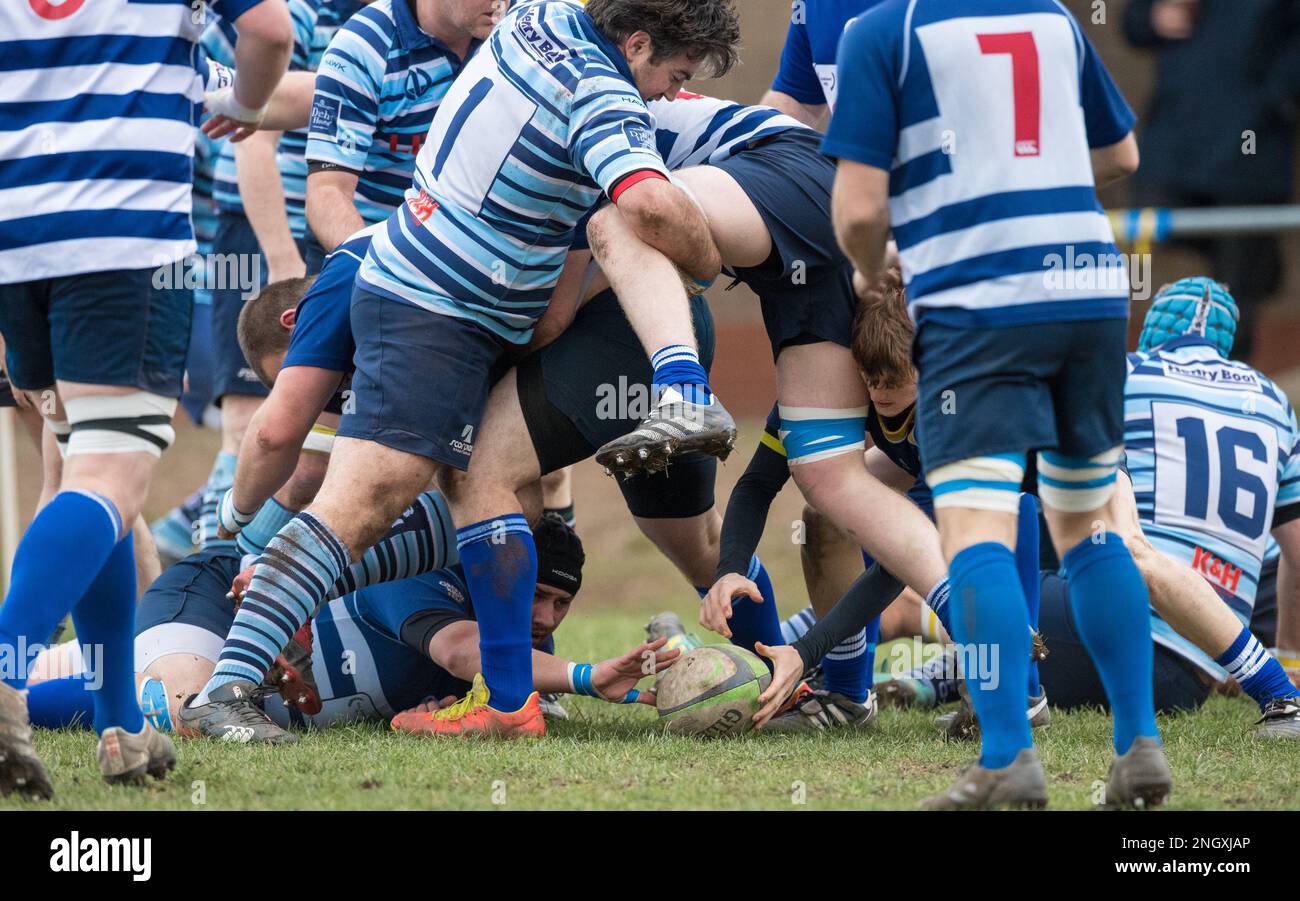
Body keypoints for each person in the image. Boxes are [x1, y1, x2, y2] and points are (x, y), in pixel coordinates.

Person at [826, 0, 1162, 809]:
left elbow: (861, 210)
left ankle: (1009, 751)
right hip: (1088, 290)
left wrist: (874, 268)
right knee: (1084, 523)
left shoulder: (881, 33)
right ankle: (1139, 743)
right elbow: (1120, 151)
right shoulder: (1052, 15)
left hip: (982, 300)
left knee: (975, 523)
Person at [0, 0, 294, 798]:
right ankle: (3, 667)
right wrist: (248, 103)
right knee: (108, 481)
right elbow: (270, 29)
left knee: (98, 484)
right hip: (123, 237)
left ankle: (121, 726)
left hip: (18, 239)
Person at [24, 518, 672, 737]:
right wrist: (589, 676)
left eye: (563, 603)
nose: (545, 617)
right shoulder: (425, 574)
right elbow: (459, 650)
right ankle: (17, 697)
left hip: (270, 681)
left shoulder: (531, 647)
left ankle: (58, 664)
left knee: (106, 673)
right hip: (219, 599)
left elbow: (513, 695)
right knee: (182, 712)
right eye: (538, 593)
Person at [1122, 0, 1300, 362]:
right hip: (1174, 146)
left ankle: (1231, 390)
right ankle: (1154, 374)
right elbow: (1134, 21)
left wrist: (1276, 99)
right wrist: (1151, 20)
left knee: (1238, 290)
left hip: (1250, 154)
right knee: (1146, 252)